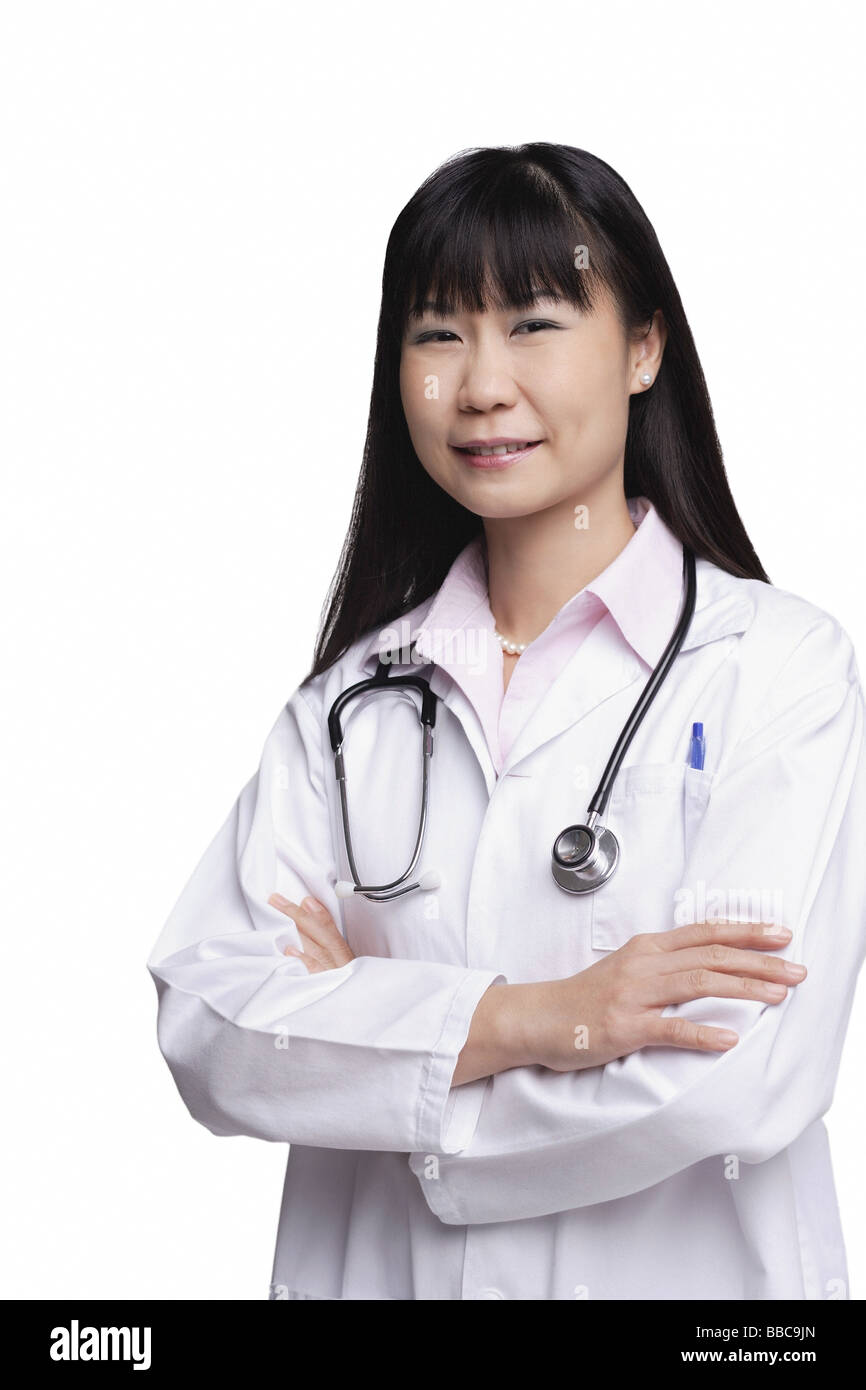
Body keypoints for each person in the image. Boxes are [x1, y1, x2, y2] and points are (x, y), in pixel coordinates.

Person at [147, 142, 866, 1301]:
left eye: (532, 322)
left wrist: (378, 1059)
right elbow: (215, 1029)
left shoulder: (775, 671)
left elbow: (733, 1072)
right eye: (436, 333)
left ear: (643, 347)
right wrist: (544, 1018)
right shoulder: (348, 710)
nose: (479, 384)